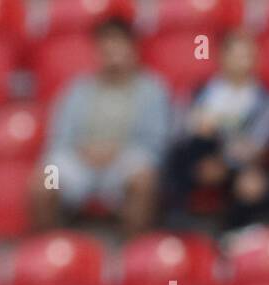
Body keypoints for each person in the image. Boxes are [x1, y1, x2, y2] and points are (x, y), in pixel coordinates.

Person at [32, 15, 171, 237]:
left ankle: (132, 254)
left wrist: (116, 152)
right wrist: (84, 152)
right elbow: (58, 141)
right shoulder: (77, 89)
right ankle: (48, 250)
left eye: (118, 44)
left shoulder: (152, 89)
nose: (112, 52)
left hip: (126, 162)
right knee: (45, 178)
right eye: (106, 46)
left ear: (132, 48)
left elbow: (156, 144)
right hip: (80, 161)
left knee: (143, 179)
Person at [163, 30, 269, 230]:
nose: (242, 62)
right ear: (222, 57)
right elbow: (178, 129)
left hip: (235, 162)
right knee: (177, 154)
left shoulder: (264, 100)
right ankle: (177, 222)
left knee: (250, 184)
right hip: (197, 154)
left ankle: (230, 235)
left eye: (248, 56)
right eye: (236, 55)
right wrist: (196, 126)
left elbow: (258, 144)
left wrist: (223, 161)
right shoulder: (201, 91)